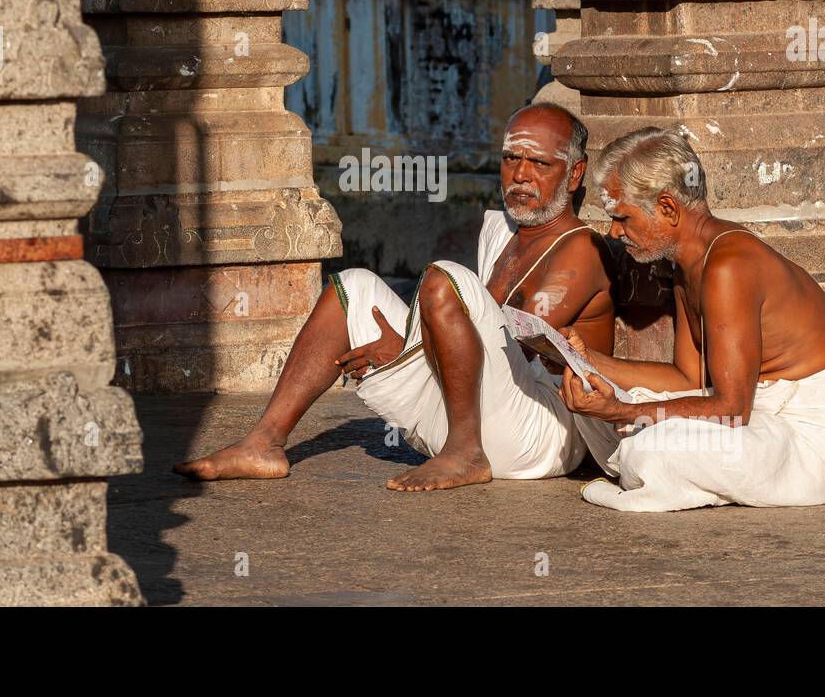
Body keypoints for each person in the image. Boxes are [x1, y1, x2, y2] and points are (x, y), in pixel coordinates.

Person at [173, 103, 616, 491]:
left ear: (575, 174)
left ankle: (464, 453)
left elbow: (516, 344)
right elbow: (473, 338)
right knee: (353, 286)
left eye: (539, 164)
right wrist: (414, 347)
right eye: (510, 159)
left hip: (539, 436)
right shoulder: (502, 230)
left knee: (443, 278)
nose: (520, 175)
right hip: (482, 412)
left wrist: (409, 349)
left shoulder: (579, 248)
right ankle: (263, 444)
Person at [560, 126, 825, 511]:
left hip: (806, 447)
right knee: (595, 400)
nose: (614, 231)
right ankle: (665, 480)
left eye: (623, 217)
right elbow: (686, 379)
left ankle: (650, 480)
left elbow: (731, 410)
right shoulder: (686, 264)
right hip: (756, 422)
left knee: (649, 447)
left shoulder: (728, 267)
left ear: (669, 208)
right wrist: (589, 361)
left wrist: (625, 412)